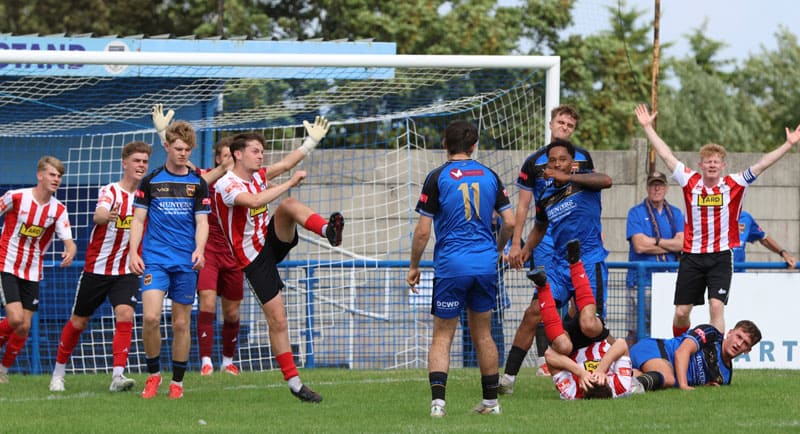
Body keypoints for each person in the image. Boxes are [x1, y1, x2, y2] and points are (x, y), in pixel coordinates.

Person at [635, 104, 800, 335]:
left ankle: (714, 354)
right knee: (681, 312)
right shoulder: (689, 180)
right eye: (708, 161)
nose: (712, 165)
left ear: (723, 166)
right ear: (701, 165)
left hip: (720, 255)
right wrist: (647, 127)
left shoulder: (734, 183)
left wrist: (788, 144)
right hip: (692, 255)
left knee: (716, 306)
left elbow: (763, 164)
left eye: (716, 161)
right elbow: (666, 155)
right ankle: (682, 348)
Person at [214, 117, 341, 403]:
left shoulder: (258, 175)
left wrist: (311, 141)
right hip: (252, 258)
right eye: (255, 151)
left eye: (262, 151)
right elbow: (255, 201)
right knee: (278, 320)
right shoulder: (226, 184)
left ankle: (328, 231)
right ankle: (295, 384)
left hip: (268, 241)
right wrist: (291, 182)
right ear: (238, 154)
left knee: (288, 206)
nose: (261, 155)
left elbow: (286, 163)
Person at [406, 120, 514, 417]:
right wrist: (498, 249)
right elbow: (510, 222)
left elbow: (422, 232)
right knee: (484, 334)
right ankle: (491, 403)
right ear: (474, 146)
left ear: (445, 144)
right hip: (484, 264)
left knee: (442, 336)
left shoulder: (437, 177)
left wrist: (414, 265)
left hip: (451, 265)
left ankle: (438, 405)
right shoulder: (490, 175)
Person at [500, 138, 612, 394]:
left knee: (588, 324)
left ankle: (623, 356)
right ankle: (507, 380)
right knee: (533, 312)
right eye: (553, 161)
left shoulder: (585, 181)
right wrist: (526, 249)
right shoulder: (546, 195)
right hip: (560, 267)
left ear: (572, 163)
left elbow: (606, 181)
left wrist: (569, 177)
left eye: (563, 159)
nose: (558, 164)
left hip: (588, 261)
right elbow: (540, 227)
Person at [48, 141, 151, 393]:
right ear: (124, 163)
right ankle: (58, 374)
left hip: (126, 269)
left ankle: (117, 376)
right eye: (136, 161)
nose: (141, 165)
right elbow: (99, 214)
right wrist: (107, 216)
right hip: (97, 269)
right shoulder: (110, 191)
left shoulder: (146, 197)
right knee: (79, 321)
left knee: (125, 314)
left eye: (145, 162)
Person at [503, 104, 594, 381]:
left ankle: (580, 362)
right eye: (561, 122)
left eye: (569, 125)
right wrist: (517, 244)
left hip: (578, 244)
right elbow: (523, 206)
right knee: (540, 305)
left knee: (582, 312)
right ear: (551, 124)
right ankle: (537, 364)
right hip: (544, 240)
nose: (564, 128)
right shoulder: (533, 162)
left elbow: (593, 193)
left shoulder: (583, 158)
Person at [129, 120, 210, 400]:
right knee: (151, 317)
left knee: (181, 324)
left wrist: (200, 249)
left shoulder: (198, 183)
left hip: (186, 261)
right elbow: (138, 219)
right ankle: (153, 375)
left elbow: (202, 222)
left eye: (187, 149)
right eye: (178, 148)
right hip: (155, 259)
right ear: (166, 146)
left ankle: (177, 382)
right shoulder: (151, 181)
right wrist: (133, 252)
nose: (183, 153)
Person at [0, 156, 77, 384]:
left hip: (32, 271)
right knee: (15, 319)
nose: (56, 179)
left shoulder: (58, 210)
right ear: (39, 175)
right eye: (52, 174)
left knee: (24, 327)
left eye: (59, 176)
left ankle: (2, 371)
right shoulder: (16, 197)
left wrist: (70, 251)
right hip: (6, 264)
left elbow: (69, 241)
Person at [625, 171, 684, 342]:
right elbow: (640, 245)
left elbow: (682, 244)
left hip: (669, 282)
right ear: (647, 187)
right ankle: (630, 359)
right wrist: (670, 246)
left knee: (665, 331)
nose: (656, 189)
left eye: (660, 185)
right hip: (641, 283)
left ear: (666, 188)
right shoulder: (635, 212)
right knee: (636, 332)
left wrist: (656, 241)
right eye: (653, 185)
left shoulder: (676, 213)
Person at [630, 320, 761, 391]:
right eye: (738, 337)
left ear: (747, 350)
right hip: (655, 349)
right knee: (668, 379)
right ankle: (628, 387)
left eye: (745, 343)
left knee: (638, 376)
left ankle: (623, 379)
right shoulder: (711, 334)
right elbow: (681, 352)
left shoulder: (725, 378)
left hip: (656, 371)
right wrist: (683, 386)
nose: (738, 344)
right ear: (730, 333)